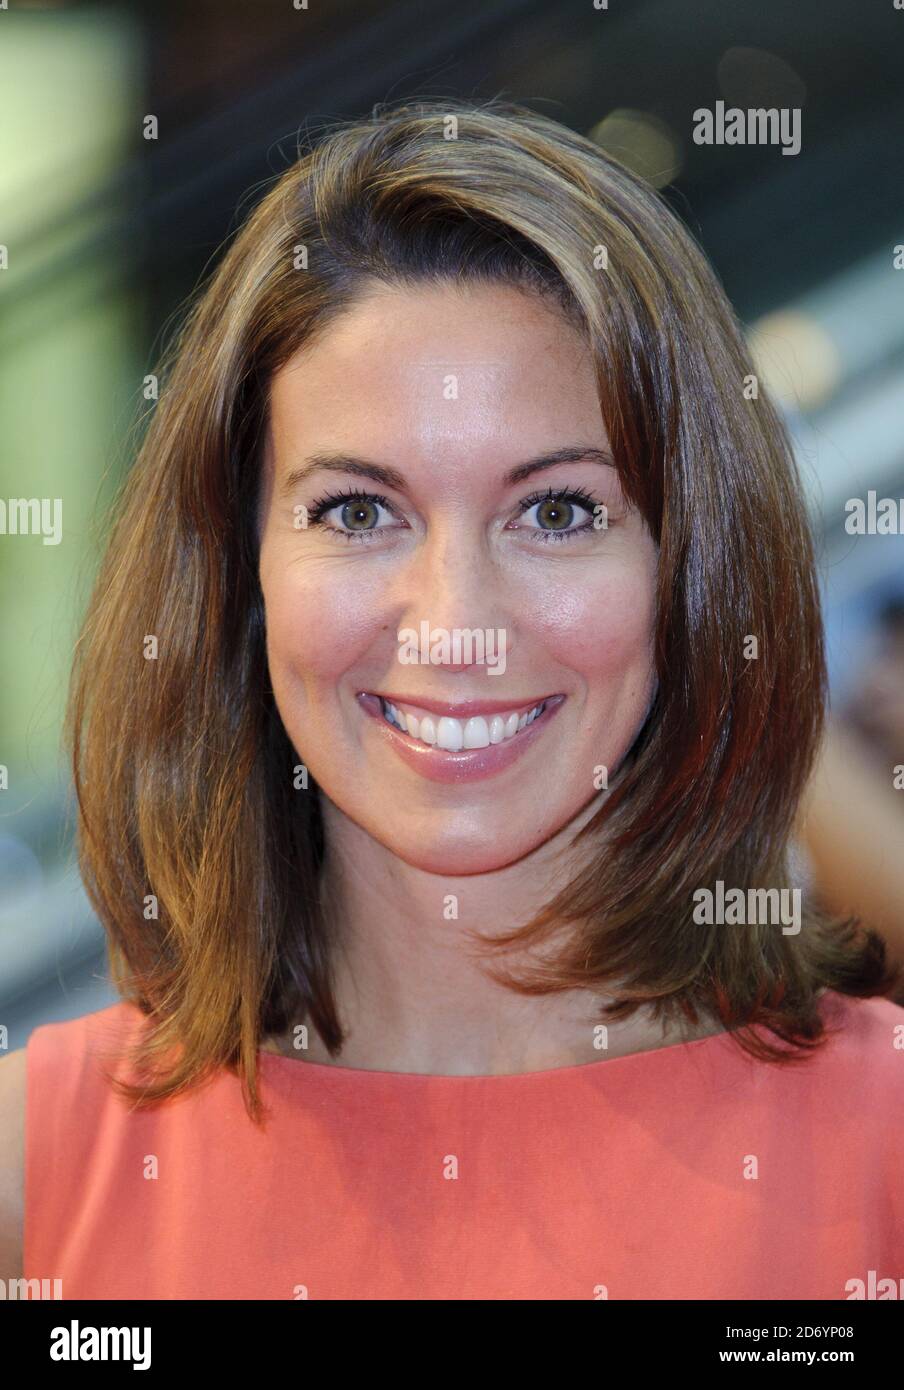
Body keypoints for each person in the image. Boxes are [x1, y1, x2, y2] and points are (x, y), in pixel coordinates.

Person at [1, 97, 901, 1301]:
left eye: (558, 511)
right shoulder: (34, 1175)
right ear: (238, 567)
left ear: (691, 566)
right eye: (358, 512)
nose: (455, 620)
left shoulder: (878, 1157)